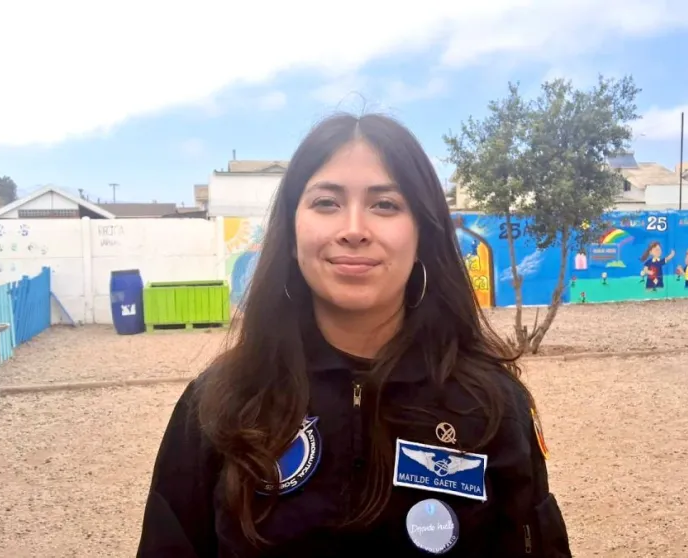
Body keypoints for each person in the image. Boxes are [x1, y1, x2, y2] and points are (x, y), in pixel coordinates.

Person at [136, 113, 572, 557]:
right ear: (291, 231)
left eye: (385, 205)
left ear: (422, 233)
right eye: (327, 203)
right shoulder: (218, 405)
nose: (354, 230)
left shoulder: (493, 405)